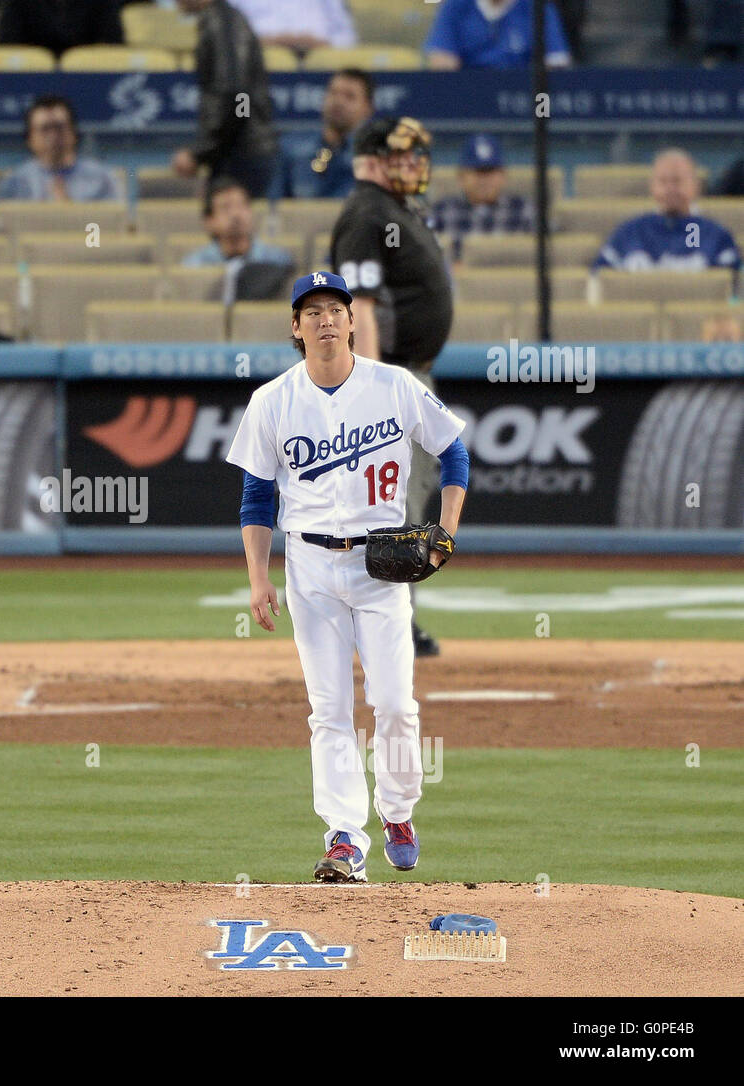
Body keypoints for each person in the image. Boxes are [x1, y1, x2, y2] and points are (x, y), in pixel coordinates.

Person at [226, 271, 468, 883]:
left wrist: (447, 528)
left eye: (336, 308)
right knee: (329, 709)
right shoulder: (272, 401)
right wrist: (259, 579)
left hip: (381, 564)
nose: (326, 319)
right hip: (307, 565)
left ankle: (399, 811)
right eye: (313, 312)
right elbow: (256, 500)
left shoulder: (394, 386)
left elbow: (454, 451)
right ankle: (344, 839)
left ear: (353, 321)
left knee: (393, 702)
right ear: (296, 327)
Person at [329, 116, 453, 657]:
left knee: (405, 499)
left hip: (411, 373)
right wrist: (376, 392)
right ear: (374, 157)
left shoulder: (392, 210)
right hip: (395, 375)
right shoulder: (367, 213)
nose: (415, 166)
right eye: (404, 155)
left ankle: (391, 618)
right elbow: (363, 308)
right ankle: (385, 622)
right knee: (393, 504)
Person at [172, 0, 278, 201]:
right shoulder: (224, 19)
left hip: (241, 154)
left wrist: (200, 153)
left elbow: (238, 93)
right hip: (237, 149)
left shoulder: (223, 22)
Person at [593, 149, 740, 276]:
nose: (670, 189)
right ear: (652, 187)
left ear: (696, 185)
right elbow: (599, 281)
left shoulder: (716, 236)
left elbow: (733, 289)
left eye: (677, 181)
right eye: (663, 182)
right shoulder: (629, 232)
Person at [181, 177, 294, 302]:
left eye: (241, 206)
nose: (236, 215)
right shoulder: (195, 265)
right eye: (225, 208)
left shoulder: (277, 260)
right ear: (209, 221)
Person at [426, 134, 535, 263]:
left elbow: (552, 252)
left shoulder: (525, 211)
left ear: (503, 175)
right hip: (458, 282)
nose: (484, 180)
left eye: (490, 171)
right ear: (461, 176)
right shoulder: (441, 212)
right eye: (478, 172)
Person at [270, 67, 373, 201]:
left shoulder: (375, 159)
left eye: (350, 96)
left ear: (367, 108)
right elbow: (273, 206)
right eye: (333, 93)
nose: (338, 102)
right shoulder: (291, 149)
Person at [0, 96, 124, 202]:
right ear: (30, 138)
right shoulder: (14, 182)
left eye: (59, 127)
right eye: (45, 129)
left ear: (74, 132)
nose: (53, 136)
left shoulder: (102, 178)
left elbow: (113, 228)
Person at [425, 0, 571, 69]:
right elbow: (441, 60)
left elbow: (557, 61)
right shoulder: (455, 6)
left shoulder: (537, 7)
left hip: (523, 103)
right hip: (469, 102)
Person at [0, 0, 122, 56]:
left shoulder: (102, 2)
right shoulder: (17, 2)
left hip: (85, 75)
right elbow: (7, 44)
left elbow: (112, 43)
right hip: (33, 75)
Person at [228, 0, 356, 51]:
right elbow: (227, 34)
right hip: (258, 57)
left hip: (319, 61)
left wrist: (323, 44)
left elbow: (348, 37)